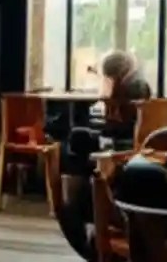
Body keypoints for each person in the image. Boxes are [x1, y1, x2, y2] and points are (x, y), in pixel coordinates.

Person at [63, 50, 152, 178]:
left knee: (78, 136)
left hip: (123, 140)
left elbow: (121, 123)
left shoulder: (134, 88)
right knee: (79, 136)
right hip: (118, 137)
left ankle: (88, 181)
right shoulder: (129, 85)